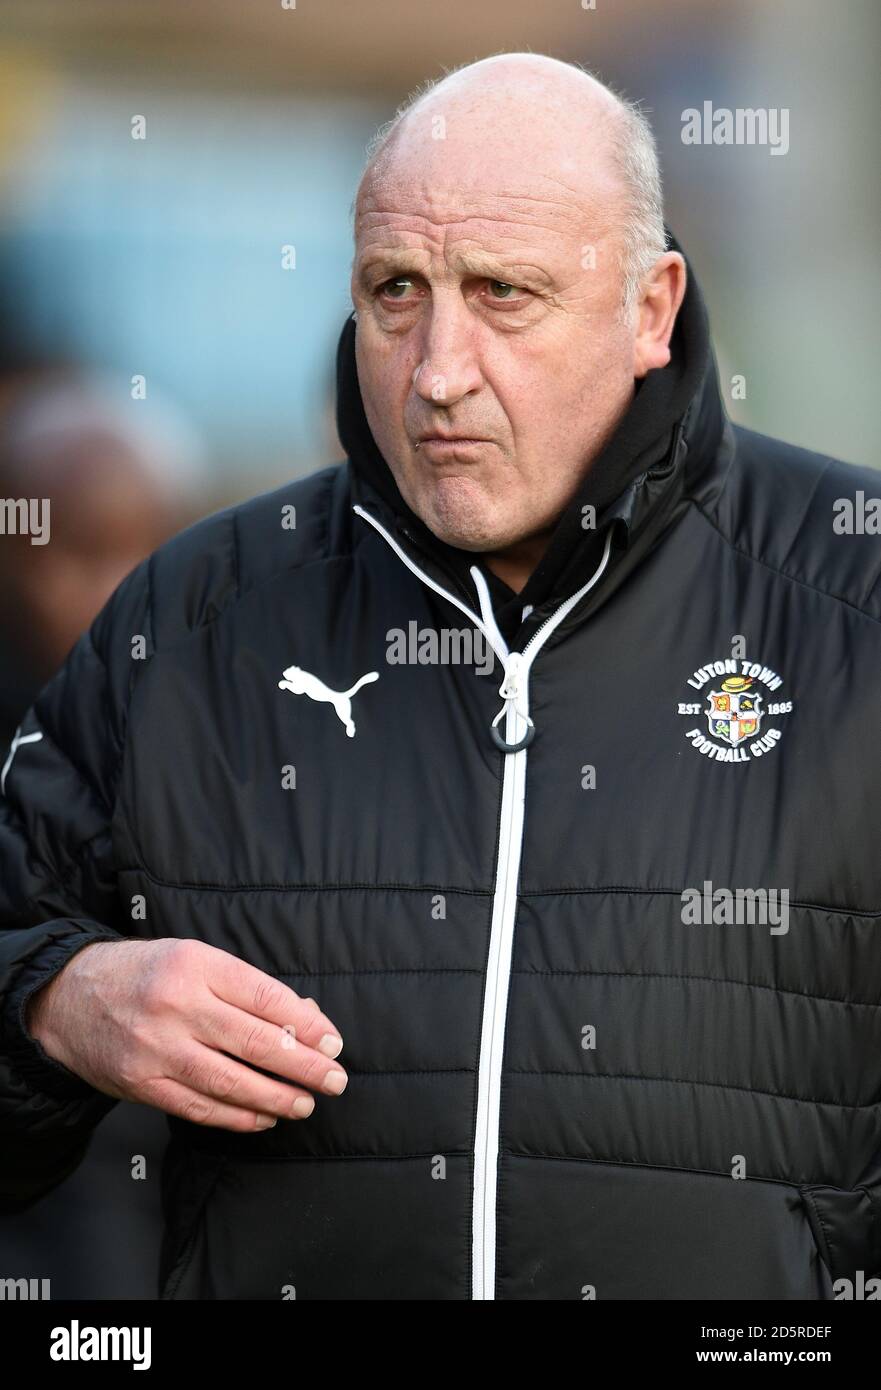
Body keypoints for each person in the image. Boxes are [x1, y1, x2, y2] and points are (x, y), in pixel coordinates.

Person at [1, 53, 879, 1301]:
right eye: (394, 291)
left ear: (649, 307)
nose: (435, 370)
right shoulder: (193, 621)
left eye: (502, 293)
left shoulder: (854, 596)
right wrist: (56, 1006)